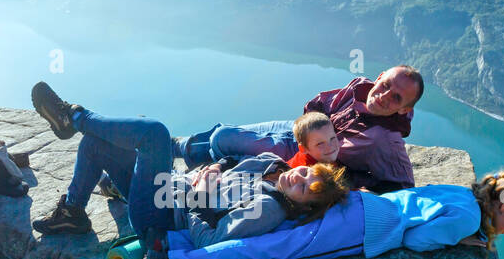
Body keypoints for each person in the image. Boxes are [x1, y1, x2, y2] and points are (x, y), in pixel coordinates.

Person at [28, 81, 351, 259]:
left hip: (162, 214)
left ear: (303, 206)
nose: (301, 179)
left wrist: (200, 200)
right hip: (167, 184)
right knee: (97, 143)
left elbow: (210, 241)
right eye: (307, 173)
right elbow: (230, 159)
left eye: (307, 190)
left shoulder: (268, 209)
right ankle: (72, 210)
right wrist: (215, 169)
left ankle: (73, 115)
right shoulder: (271, 164)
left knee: (154, 134)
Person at [162, 171, 504, 259]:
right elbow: (416, 239)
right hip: (359, 231)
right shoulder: (469, 220)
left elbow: (414, 194)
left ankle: (174, 239)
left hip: (360, 203)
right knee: (270, 248)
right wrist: (459, 241)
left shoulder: (461, 192)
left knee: (279, 231)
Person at [175, 65, 424, 194]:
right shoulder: (360, 86)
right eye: (386, 84)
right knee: (230, 131)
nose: (383, 96)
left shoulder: (386, 140)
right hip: (298, 128)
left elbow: (402, 186)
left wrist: (348, 181)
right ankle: (179, 147)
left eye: (396, 98)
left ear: (403, 110)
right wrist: (311, 122)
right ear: (379, 76)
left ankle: (185, 153)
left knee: (223, 138)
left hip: (306, 151)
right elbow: (318, 103)